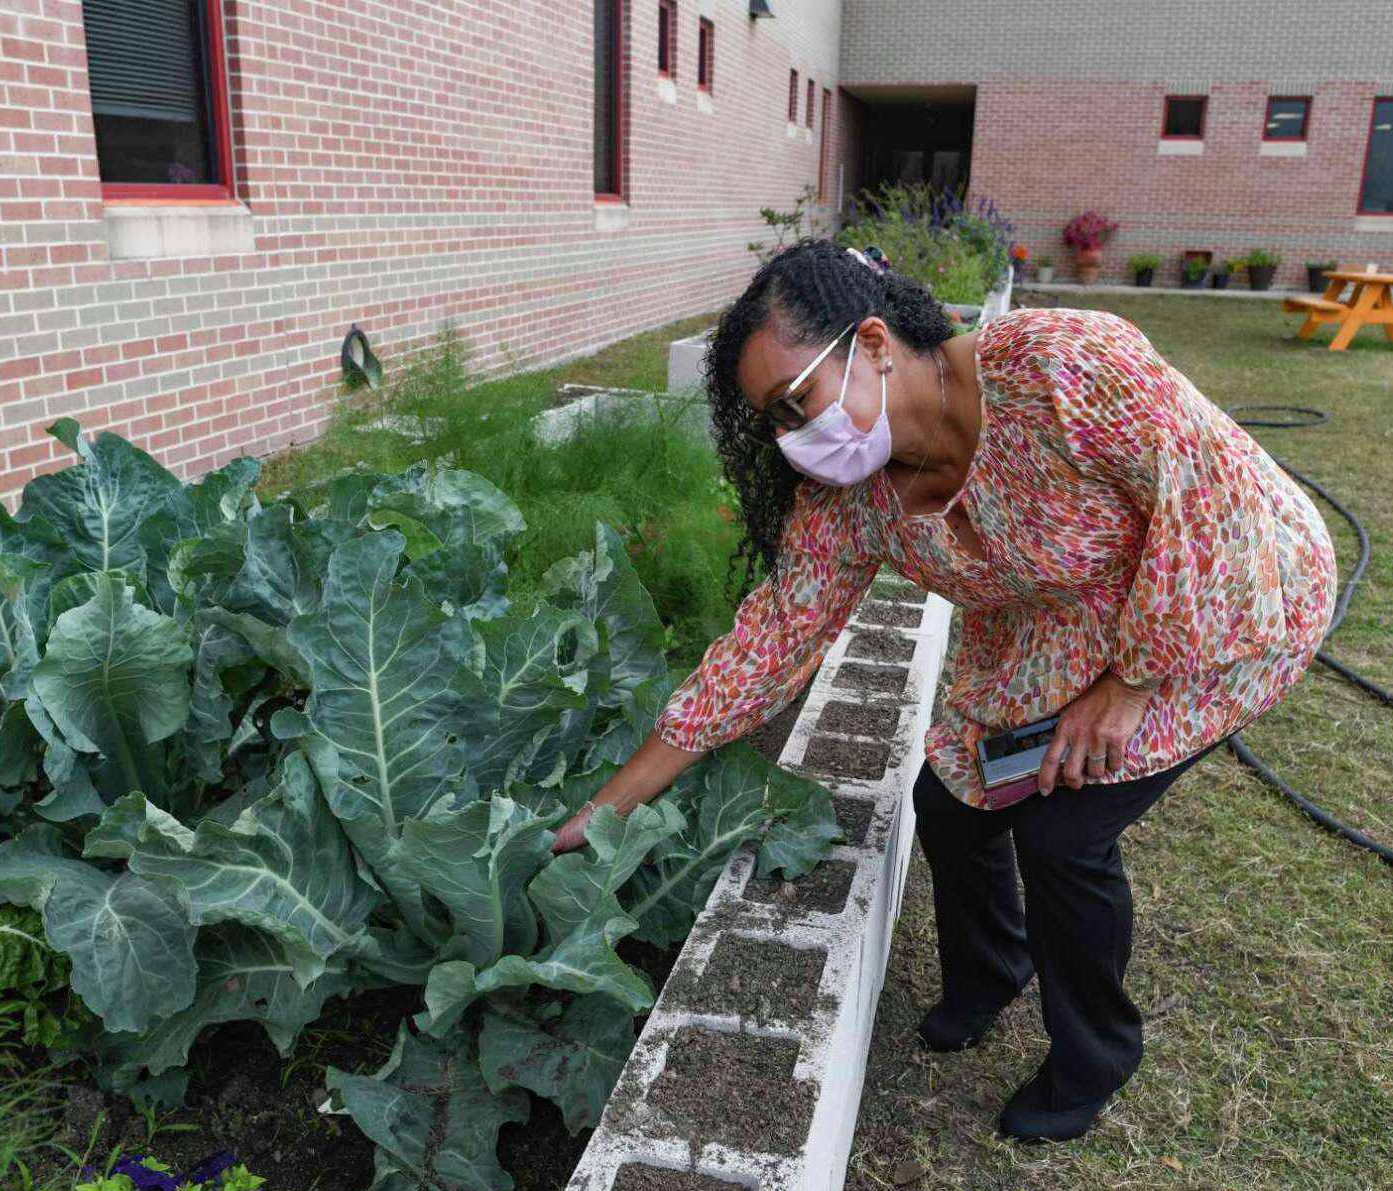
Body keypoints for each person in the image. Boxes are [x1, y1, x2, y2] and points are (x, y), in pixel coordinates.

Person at [551, 238, 1337, 1143]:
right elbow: (768, 646)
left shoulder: (1067, 369)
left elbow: (1214, 509)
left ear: (876, 343)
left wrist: (1129, 686)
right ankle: (993, 969)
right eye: (772, 420)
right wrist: (601, 813)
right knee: (952, 799)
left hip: (1221, 601)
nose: (794, 440)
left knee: (1062, 832)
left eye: (797, 402)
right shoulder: (855, 497)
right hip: (1060, 626)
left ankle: (1096, 1054)